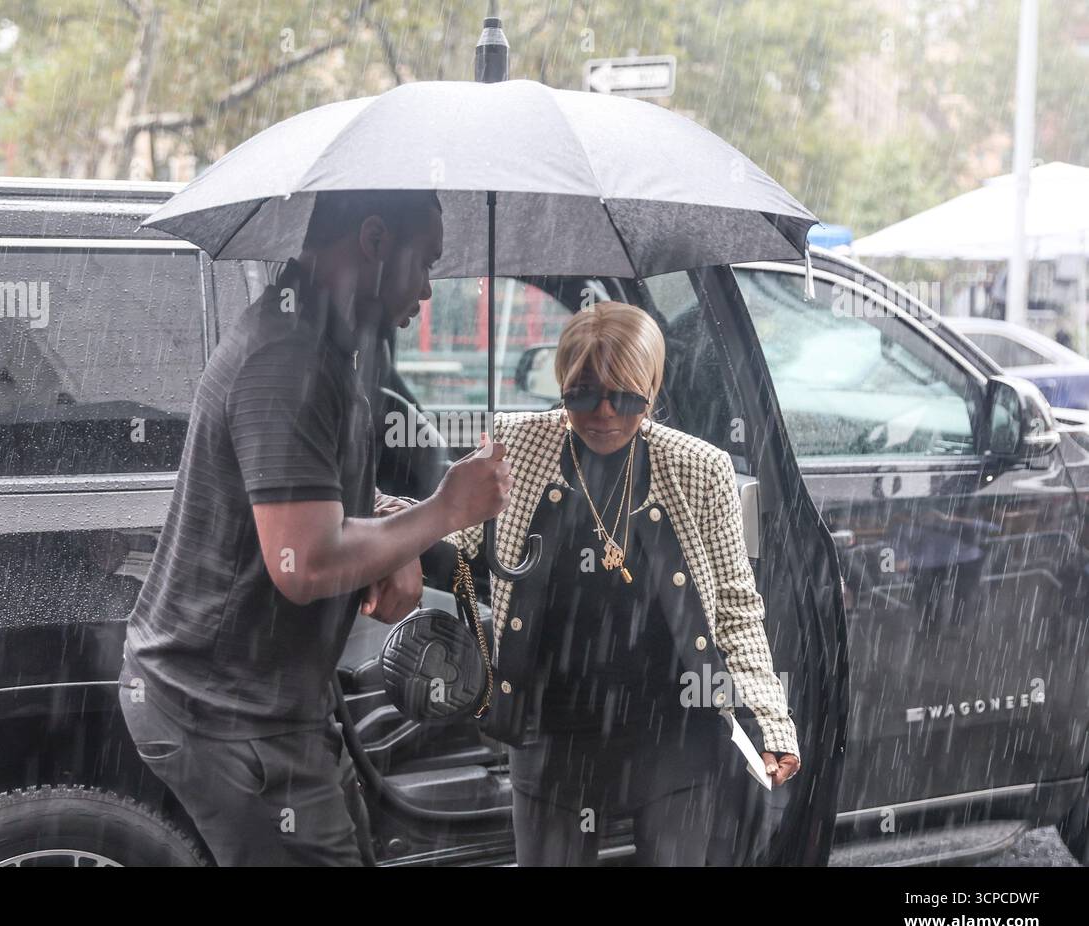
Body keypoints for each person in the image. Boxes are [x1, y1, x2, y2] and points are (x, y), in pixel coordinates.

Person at [118, 189, 512, 865]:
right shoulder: (288, 361)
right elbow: (307, 562)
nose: (426, 288)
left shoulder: (325, 347)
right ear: (375, 238)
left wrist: (395, 526)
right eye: (426, 261)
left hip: (266, 706)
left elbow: (309, 500)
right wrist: (446, 509)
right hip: (226, 715)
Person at [422, 301, 800, 866]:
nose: (602, 412)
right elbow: (456, 538)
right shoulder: (515, 446)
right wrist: (399, 534)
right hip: (552, 729)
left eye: (625, 397)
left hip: (675, 730)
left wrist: (771, 719)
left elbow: (735, 609)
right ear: (561, 385)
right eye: (582, 393)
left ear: (652, 390)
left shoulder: (699, 469)